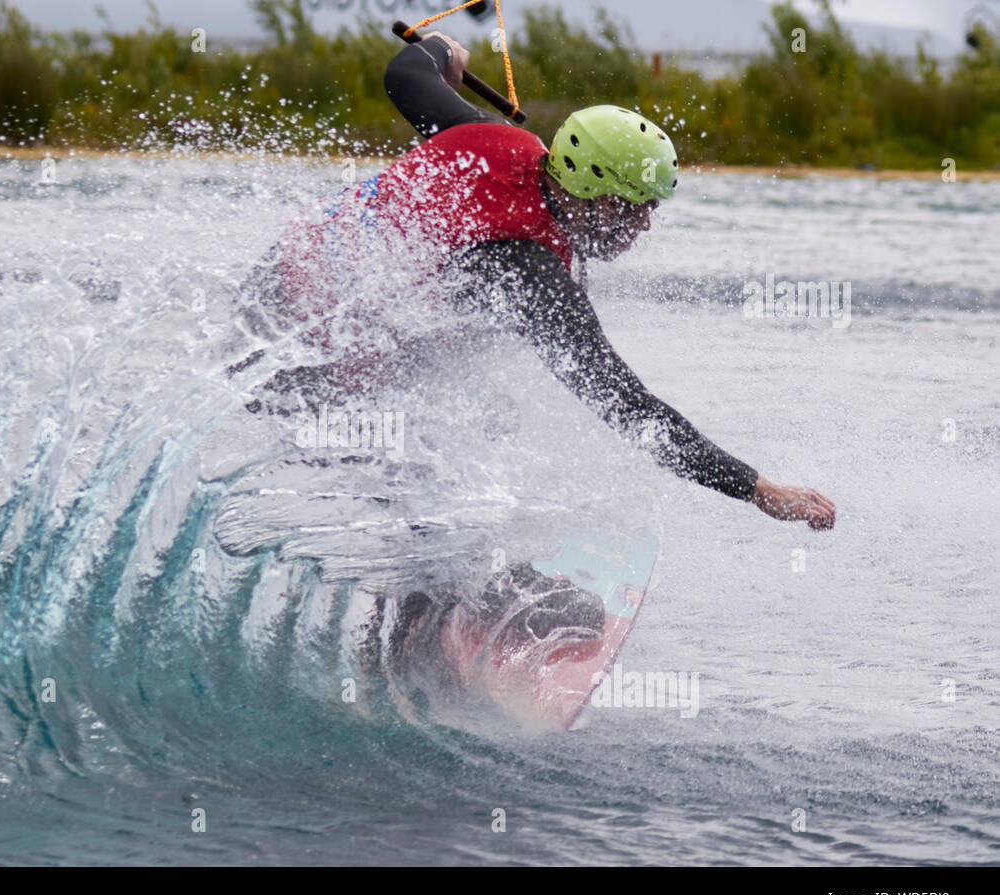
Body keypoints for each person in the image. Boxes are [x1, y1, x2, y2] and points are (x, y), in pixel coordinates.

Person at [242, 31, 835, 532]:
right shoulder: (523, 267)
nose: (642, 228)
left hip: (271, 281)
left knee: (472, 403)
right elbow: (628, 406)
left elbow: (406, 72)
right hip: (299, 342)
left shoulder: (500, 143)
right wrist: (760, 490)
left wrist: (444, 48)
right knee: (433, 438)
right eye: (633, 208)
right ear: (588, 191)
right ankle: (432, 597)